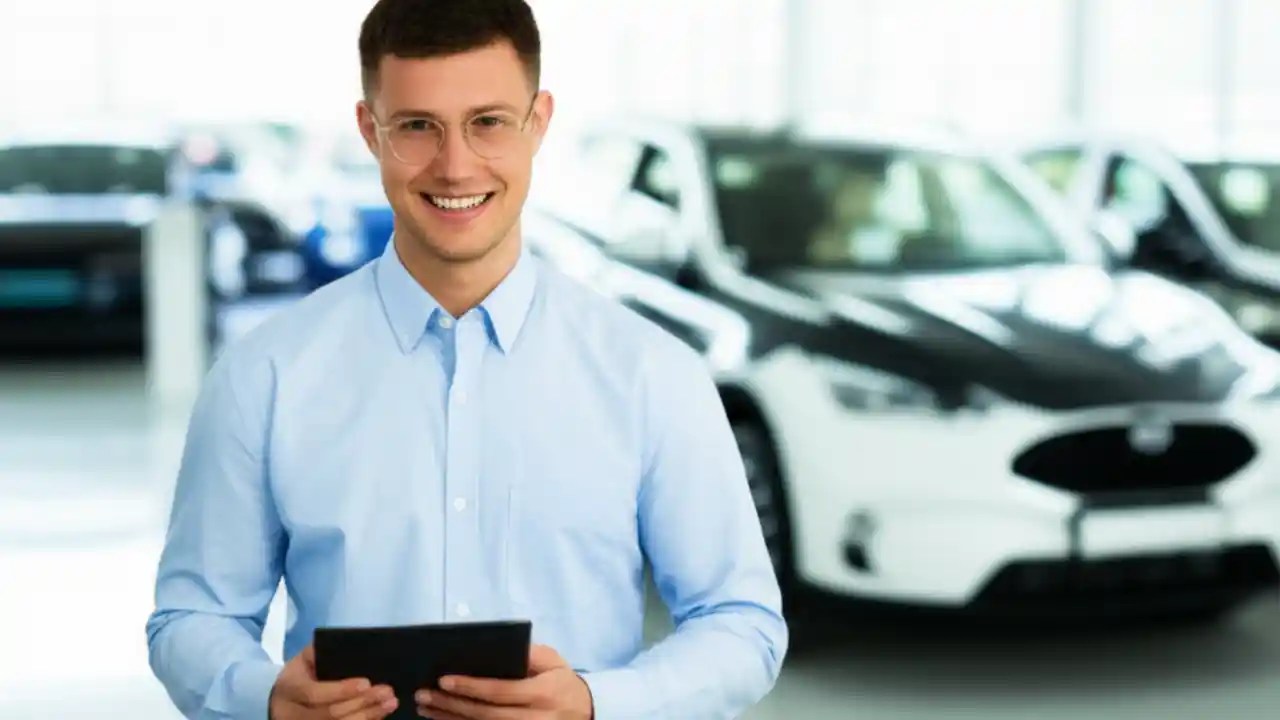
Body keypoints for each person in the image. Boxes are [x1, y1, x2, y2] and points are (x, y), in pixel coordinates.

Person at [145, 0, 788, 718]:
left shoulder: (650, 374)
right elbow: (191, 620)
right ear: (370, 131)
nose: (455, 167)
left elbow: (742, 623)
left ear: (537, 124)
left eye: (487, 123)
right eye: (418, 126)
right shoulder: (264, 375)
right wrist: (264, 695)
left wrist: (596, 704)